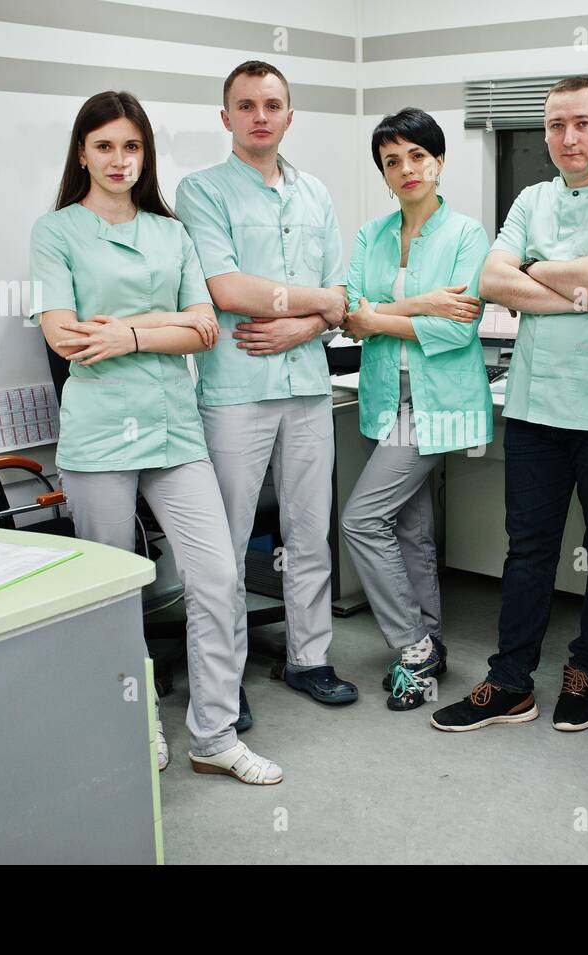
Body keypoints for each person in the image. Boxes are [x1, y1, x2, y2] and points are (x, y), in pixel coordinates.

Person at [30, 90, 281, 784]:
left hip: (174, 429)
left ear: (146, 154)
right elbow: (65, 337)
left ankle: (214, 733)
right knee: (115, 593)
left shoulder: (171, 233)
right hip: (100, 435)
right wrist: (155, 329)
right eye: (105, 145)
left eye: (132, 146)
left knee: (218, 579)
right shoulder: (56, 233)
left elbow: (202, 326)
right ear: (82, 151)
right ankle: (136, 726)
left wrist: (126, 332)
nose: (119, 160)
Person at [431, 76, 588, 734]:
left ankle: (587, 667)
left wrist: (537, 268)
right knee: (526, 548)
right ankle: (510, 681)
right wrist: (580, 272)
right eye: (556, 125)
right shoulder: (531, 198)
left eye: (582, 123)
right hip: (536, 404)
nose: (568, 137)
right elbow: (490, 278)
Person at [175, 61, 358, 718]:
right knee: (223, 546)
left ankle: (309, 656)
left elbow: (344, 296)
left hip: (308, 386)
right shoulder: (201, 191)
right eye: (246, 105)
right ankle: (224, 684)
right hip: (236, 394)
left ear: (288, 114)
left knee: (310, 532)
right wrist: (318, 310)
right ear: (226, 118)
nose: (260, 115)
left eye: (272, 104)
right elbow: (226, 289)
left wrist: (298, 325)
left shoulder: (316, 194)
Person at [339, 108, 492, 711]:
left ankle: (411, 648)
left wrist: (379, 316)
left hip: (438, 405)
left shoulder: (466, 235)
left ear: (440, 161)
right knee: (409, 528)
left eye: (417, 157)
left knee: (361, 519)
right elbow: (349, 312)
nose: (406, 170)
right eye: (392, 161)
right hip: (386, 396)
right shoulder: (371, 236)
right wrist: (421, 303)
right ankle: (431, 644)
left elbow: (458, 331)